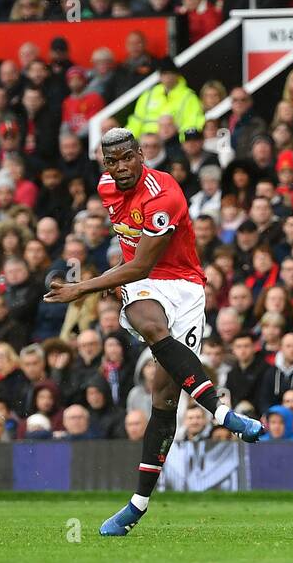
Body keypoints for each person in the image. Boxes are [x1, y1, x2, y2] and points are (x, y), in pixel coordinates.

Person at [43, 127, 263, 537]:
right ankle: (223, 414)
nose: (121, 167)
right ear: (105, 164)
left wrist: (82, 287)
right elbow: (137, 268)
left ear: (141, 154)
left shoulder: (165, 196)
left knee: (164, 398)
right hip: (142, 286)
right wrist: (113, 279)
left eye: (128, 157)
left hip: (183, 285)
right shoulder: (106, 187)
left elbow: (143, 262)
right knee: (149, 325)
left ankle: (136, 507)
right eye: (112, 161)